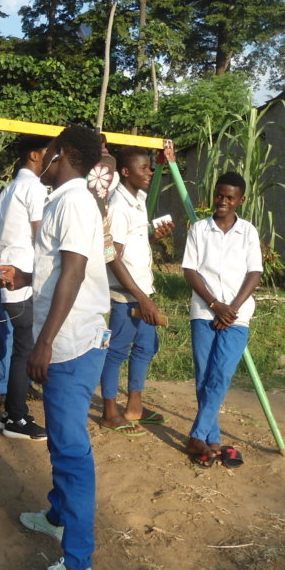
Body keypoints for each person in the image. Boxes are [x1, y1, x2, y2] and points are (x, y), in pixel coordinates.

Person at [0, 125, 110, 570]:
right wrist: (23, 272)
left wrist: (43, 343)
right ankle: (58, 517)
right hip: (64, 341)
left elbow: (77, 271)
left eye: (46, 152)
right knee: (62, 443)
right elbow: (59, 267)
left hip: (71, 344)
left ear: (60, 154)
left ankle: (78, 563)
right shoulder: (61, 199)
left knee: (69, 451)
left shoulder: (76, 202)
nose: (40, 159)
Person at [182, 171, 263, 467]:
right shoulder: (199, 229)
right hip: (204, 312)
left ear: (241, 200)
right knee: (205, 377)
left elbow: (254, 273)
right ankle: (212, 441)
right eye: (220, 196)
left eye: (230, 197)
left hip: (237, 316)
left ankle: (197, 435)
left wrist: (231, 309)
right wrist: (216, 305)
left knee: (222, 374)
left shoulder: (248, 232)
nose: (223, 202)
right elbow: (190, 270)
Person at [98, 145, 175, 436]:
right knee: (117, 352)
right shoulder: (118, 206)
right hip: (126, 295)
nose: (150, 173)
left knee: (145, 348)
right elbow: (111, 255)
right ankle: (109, 412)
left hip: (142, 291)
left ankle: (134, 407)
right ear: (126, 172)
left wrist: (154, 237)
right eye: (143, 168)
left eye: (150, 168)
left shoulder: (138, 199)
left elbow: (133, 245)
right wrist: (141, 298)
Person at [0, 134, 51, 440]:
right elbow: (41, 238)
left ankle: (12, 413)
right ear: (35, 156)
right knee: (24, 351)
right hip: (24, 279)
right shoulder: (34, 189)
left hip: (6, 278)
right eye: (51, 153)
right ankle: (16, 419)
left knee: (20, 350)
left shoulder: (8, 191)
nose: (55, 159)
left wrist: (1, 259)